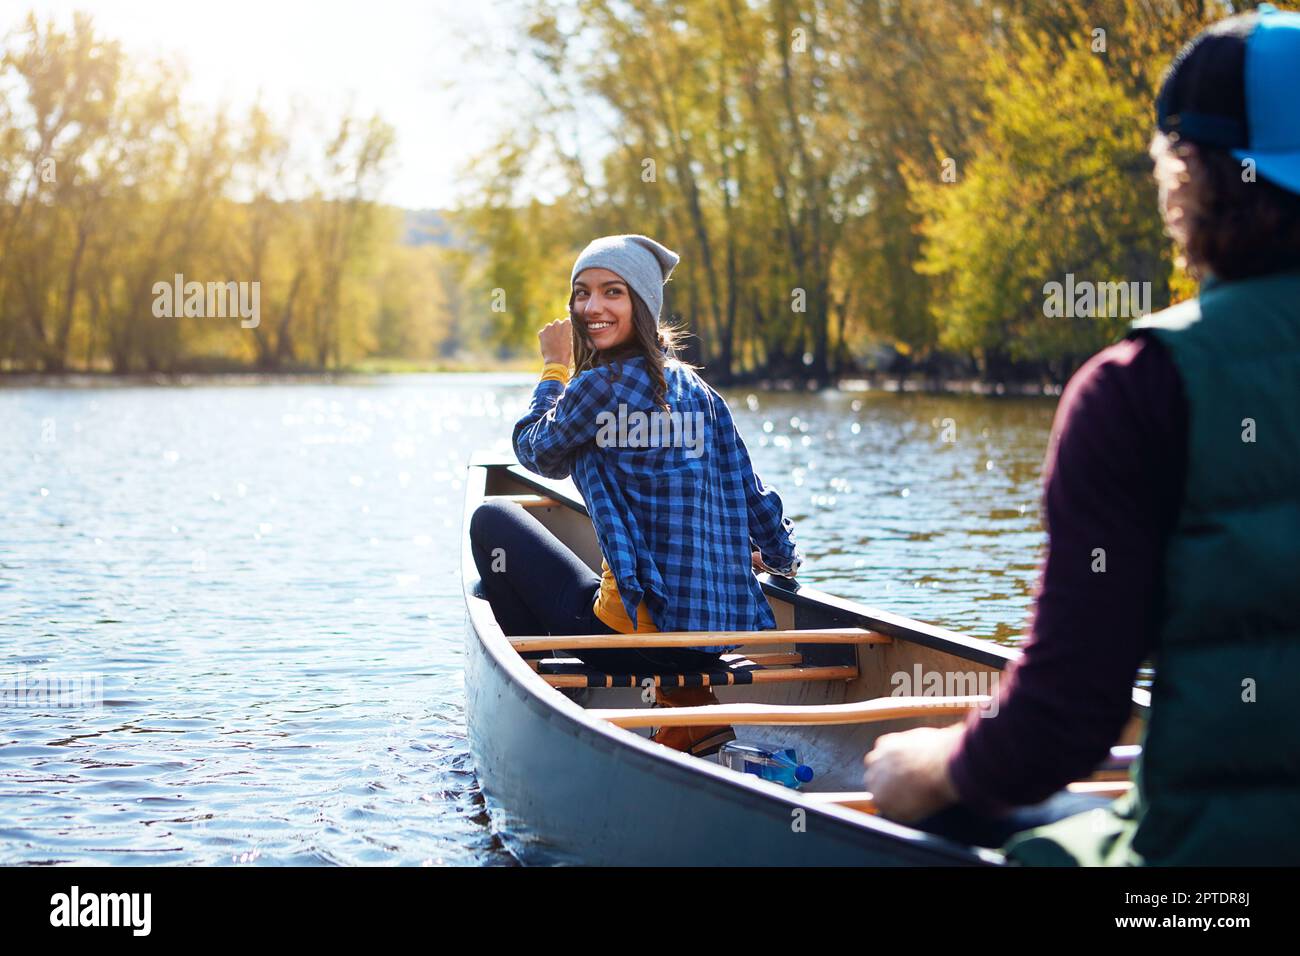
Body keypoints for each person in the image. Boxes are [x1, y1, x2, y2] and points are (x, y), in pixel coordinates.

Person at [864, 5, 1300, 864]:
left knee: (951, 815)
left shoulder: (1139, 388)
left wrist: (931, 765)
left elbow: (1061, 728)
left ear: (1188, 175)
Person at [469, 234, 802, 757]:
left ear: (642, 304)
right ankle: (689, 715)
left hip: (630, 645)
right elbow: (752, 494)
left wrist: (555, 368)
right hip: (708, 646)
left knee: (492, 521)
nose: (591, 307)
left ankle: (534, 691)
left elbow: (534, 452)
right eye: (582, 293)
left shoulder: (595, 386)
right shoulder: (699, 391)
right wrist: (780, 560)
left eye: (612, 292)